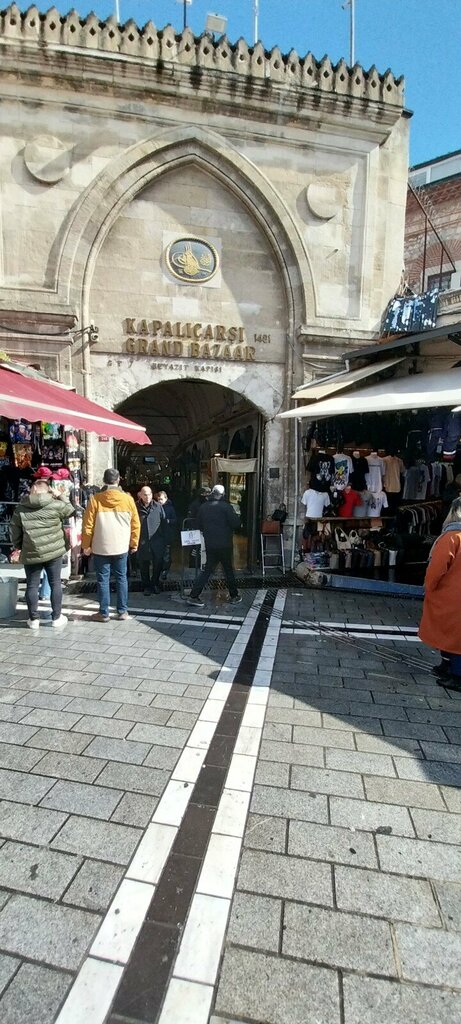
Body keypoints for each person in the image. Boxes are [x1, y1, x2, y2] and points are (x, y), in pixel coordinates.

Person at [10, 479, 73, 629]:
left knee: (32, 585)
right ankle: (56, 618)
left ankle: (33, 619)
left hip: (31, 551)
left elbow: (15, 531)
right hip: (54, 551)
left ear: (32, 491)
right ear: (48, 491)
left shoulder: (21, 508)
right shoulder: (56, 504)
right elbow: (71, 510)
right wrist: (61, 496)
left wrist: (19, 546)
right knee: (55, 583)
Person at [82, 468, 140, 622]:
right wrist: (134, 543)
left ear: (104, 480)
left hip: (100, 546)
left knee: (103, 579)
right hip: (121, 546)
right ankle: (122, 611)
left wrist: (86, 546)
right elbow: (136, 524)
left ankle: (104, 613)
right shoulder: (128, 500)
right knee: (121, 578)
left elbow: (87, 525)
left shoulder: (95, 499)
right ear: (118, 480)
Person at [419, 497, 461, 691]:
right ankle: (448, 666)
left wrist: (429, 585)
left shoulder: (452, 536)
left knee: (451, 634)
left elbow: (437, 567)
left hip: (449, 595)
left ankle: (456, 674)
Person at [187, 484, 241, 607]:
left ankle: (194, 595)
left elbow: (198, 524)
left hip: (210, 544)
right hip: (225, 544)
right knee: (228, 570)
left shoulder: (203, 507)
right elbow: (235, 523)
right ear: (222, 495)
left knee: (207, 571)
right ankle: (234, 595)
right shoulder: (226, 507)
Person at [136, 486, 166, 595]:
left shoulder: (158, 506)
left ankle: (155, 583)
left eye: (149, 494)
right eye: (145, 494)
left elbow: (163, 522)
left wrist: (164, 539)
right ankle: (147, 586)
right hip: (142, 541)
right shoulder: (136, 506)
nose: (147, 497)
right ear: (141, 495)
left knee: (158, 563)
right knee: (144, 565)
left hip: (157, 540)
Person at [154, 489, 177, 581]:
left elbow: (175, 520)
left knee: (166, 554)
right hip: (157, 535)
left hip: (167, 534)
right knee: (158, 554)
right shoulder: (155, 507)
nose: (160, 501)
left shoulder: (170, 508)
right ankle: (159, 570)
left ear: (166, 499)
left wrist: (168, 521)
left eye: (161, 499)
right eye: (159, 499)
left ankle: (165, 570)